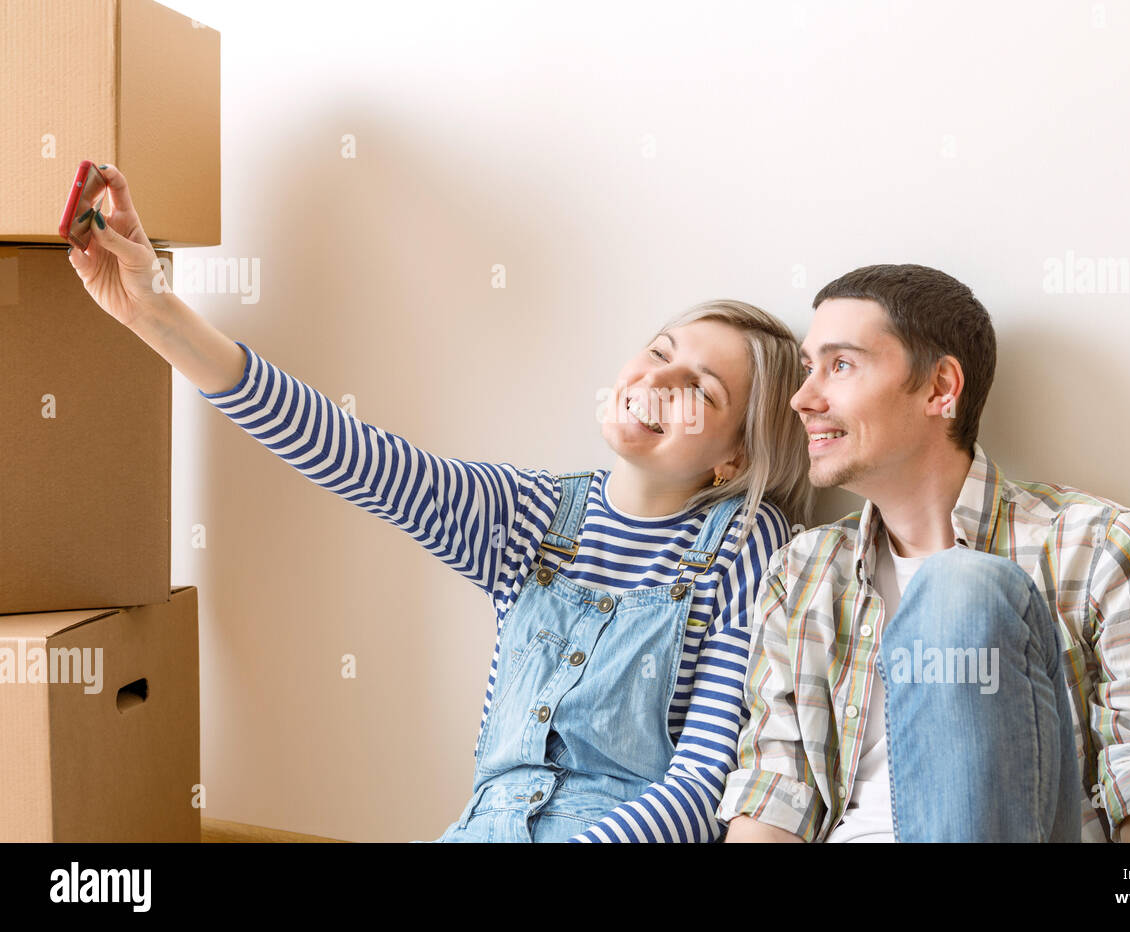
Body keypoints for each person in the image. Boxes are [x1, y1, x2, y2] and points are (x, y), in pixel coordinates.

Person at [69, 163, 814, 843]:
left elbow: (702, 786)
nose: (657, 381)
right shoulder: (530, 518)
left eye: (700, 390)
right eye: (659, 352)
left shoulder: (747, 542)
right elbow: (343, 450)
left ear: (733, 459)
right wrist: (153, 311)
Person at [718, 264, 1130, 842]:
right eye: (810, 369)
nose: (802, 398)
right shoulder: (802, 571)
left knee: (957, 588)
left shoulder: (1098, 545)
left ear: (941, 388)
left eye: (840, 365)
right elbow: (776, 795)